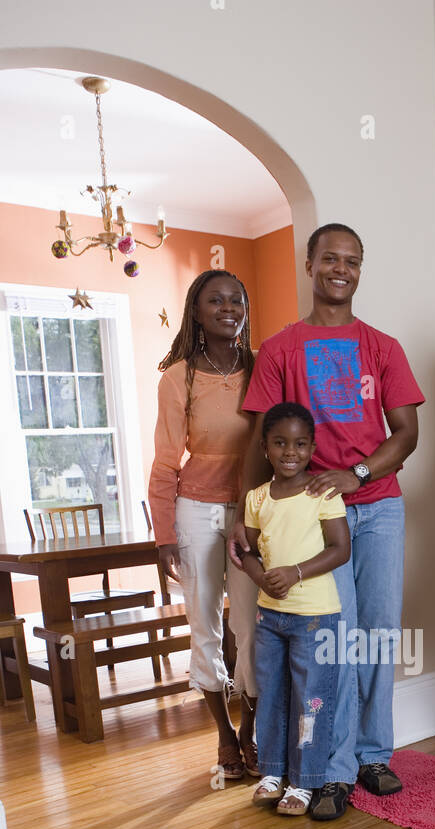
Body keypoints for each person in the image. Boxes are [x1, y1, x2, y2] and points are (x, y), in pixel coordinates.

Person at [229, 223, 425, 821]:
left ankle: (372, 753)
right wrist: (245, 514)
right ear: (310, 263)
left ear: (360, 270)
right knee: (334, 644)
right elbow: (254, 438)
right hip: (310, 523)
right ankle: (335, 771)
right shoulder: (281, 349)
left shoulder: (383, 347)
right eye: (331, 258)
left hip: (379, 508)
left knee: (377, 635)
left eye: (353, 261)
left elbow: (407, 433)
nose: (341, 269)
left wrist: (357, 475)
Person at [149, 269, 260, 780]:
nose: (227, 308)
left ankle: (251, 732)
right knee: (205, 627)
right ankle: (222, 735)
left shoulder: (261, 368)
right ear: (196, 311)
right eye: (214, 301)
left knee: (252, 626)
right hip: (195, 509)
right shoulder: (178, 378)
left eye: (235, 300)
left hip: (252, 512)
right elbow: (166, 464)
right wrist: (165, 535)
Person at [241, 402, 351, 815]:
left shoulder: (322, 493)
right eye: (280, 443)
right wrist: (261, 576)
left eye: (300, 444)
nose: (291, 452)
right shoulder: (256, 498)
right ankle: (272, 772)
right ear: (266, 447)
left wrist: (295, 573)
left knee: (310, 701)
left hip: (316, 617)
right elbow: (247, 552)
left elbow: (341, 549)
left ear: (312, 447)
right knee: (271, 694)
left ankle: (305, 783)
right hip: (269, 617)